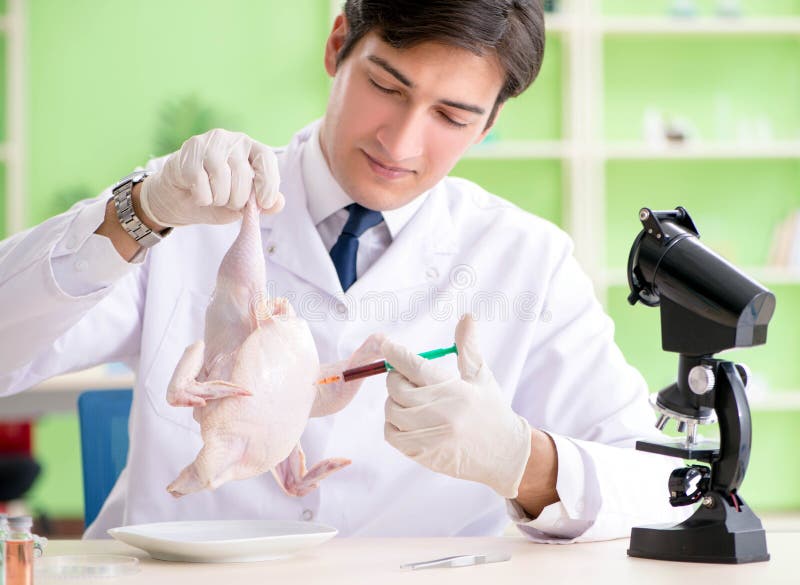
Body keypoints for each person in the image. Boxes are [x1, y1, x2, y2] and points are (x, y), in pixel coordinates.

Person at [0, 0, 686, 541]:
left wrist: (525, 461)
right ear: (337, 47)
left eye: (452, 115)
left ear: (489, 123)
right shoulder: (186, 202)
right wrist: (138, 213)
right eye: (387, 85)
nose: (401, 140)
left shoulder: (527, 260)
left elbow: (668, 487)